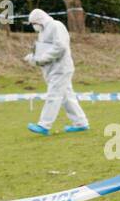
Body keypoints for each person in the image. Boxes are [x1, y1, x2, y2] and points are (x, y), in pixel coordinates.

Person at [24, 8, 88, 136]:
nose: (33, 26)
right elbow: (45, 49)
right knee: (67, 97)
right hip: (52, 70)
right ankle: (81, 123)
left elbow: (60, 47)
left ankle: (44, 125)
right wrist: (34, 57)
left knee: (53, 96)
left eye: (33, 23)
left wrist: (41, 59)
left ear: (39, 20)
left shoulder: (56, 26)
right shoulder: (43, 31)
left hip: (61, 69)